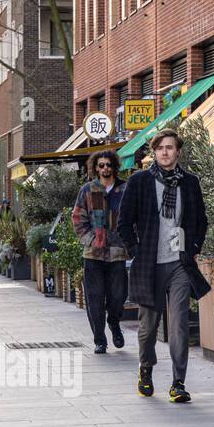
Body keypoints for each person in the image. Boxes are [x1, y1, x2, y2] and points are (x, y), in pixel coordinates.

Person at [118, 129, 210, 403]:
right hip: (149, 264)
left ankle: (178, 383)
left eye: (170, 147)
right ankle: (145, 371)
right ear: (154, 153)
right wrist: (136, 250)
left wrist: (193, 247)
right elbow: (124, 223)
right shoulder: (140, 182)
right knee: (148, 328)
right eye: (160, 148)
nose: (165, 152)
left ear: (178, 152)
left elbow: (200, 220)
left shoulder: (190, 182)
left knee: (180, 323)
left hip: (179, 263)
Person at [71, 151, 129, 354]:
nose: (105, 168)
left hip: (118, 253)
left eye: (108, 165)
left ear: (114, 166)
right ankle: (100, 339)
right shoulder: (87, 190)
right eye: (101, 165)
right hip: (93, 255)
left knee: (118, 296)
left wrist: (130, 243)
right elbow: (78, 218)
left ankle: (114, 323)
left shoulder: (125, 189)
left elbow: (133, 218)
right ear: (95, 167)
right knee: (94, 298)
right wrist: (91, 240)